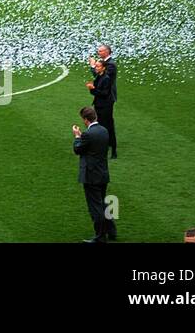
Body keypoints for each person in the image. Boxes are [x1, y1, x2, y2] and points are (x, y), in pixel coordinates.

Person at [73, 105, 115, 243]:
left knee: (95, 207)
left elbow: (78, 149)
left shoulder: (87, 134)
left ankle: (100, 236)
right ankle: (111, 230)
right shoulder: (104, 130)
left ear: (86, 120)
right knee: (102, 203)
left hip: (91, 176)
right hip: (103, 173)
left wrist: (77, 136)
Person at [87, 44, 118, 157]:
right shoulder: (104, 71)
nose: (98, 53)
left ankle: (111, 146)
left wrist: (92, 66)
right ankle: (108, 143)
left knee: (107, 123)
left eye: (100, 51)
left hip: (106, 99)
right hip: (102, 100)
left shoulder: (110, 67)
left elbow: (104, 88)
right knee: (104, 122)